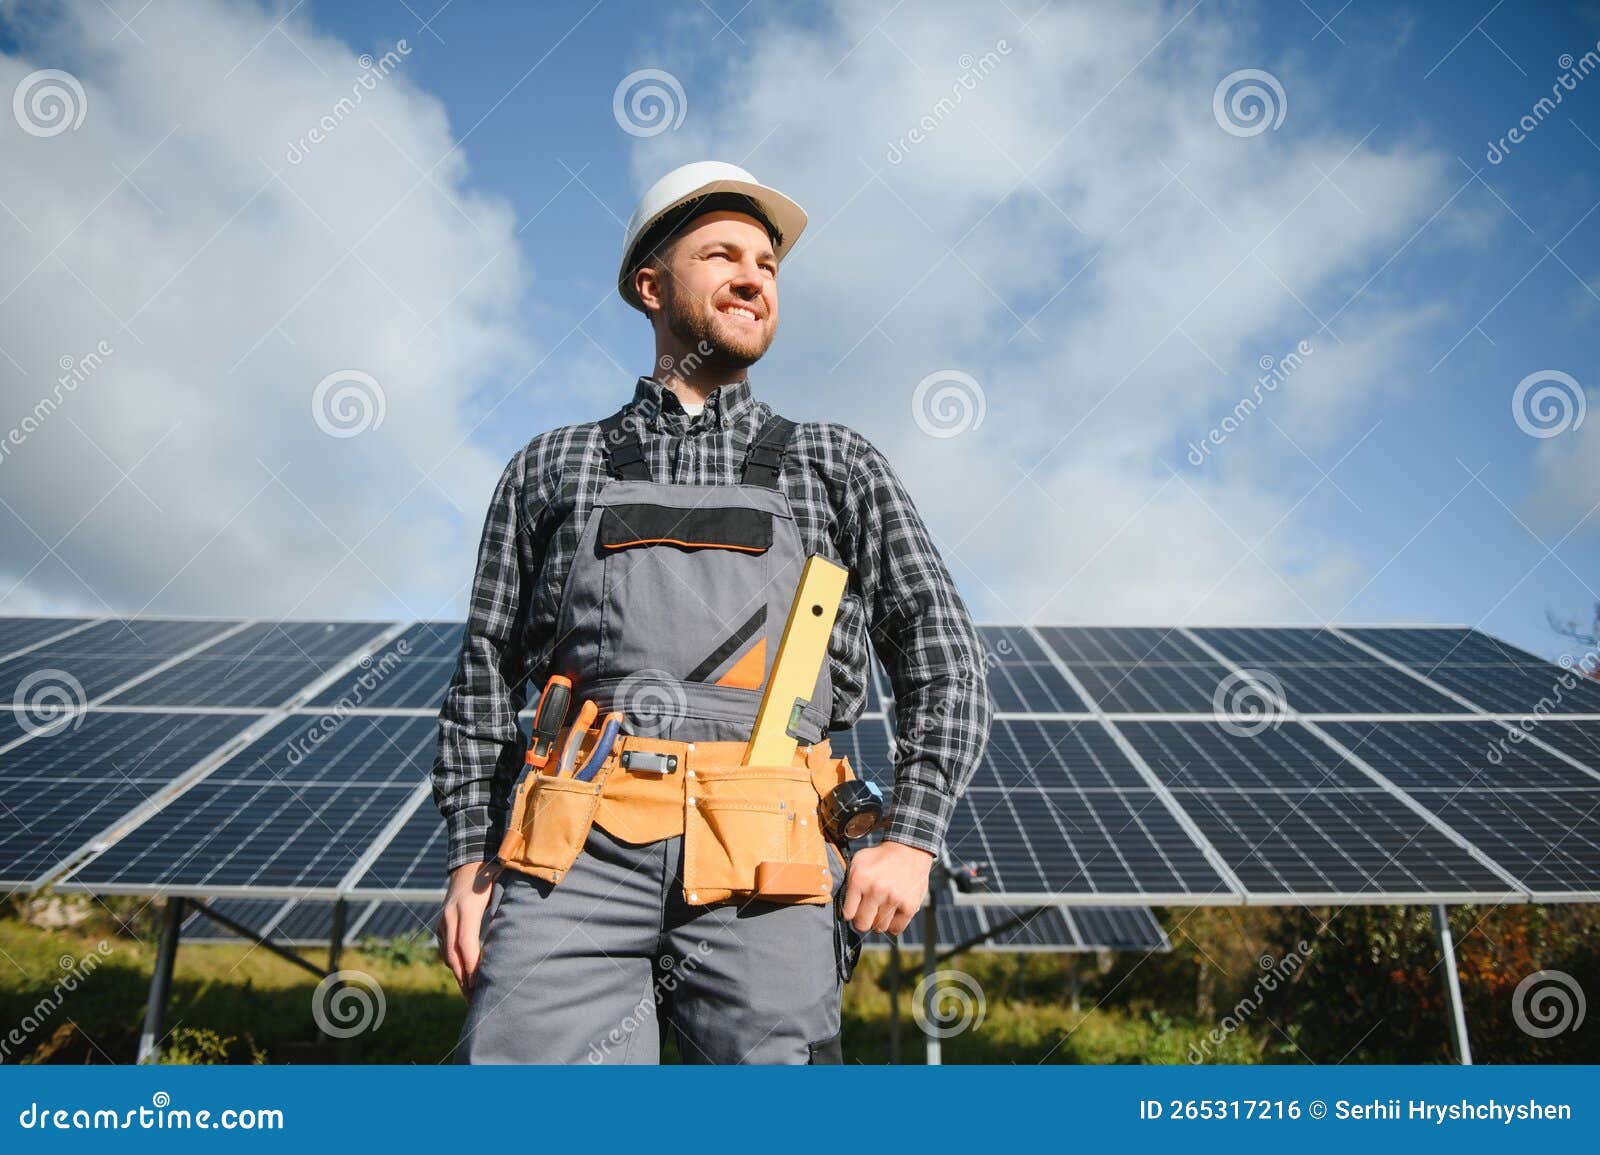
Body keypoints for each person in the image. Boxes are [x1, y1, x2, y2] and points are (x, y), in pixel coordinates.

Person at [431, 160, 992, 1063]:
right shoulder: (551, 467)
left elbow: (942, 656)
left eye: (767, 264)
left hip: (769, 850)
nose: (752, 277)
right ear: (651, 287)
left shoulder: (835, 466)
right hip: (570, 850)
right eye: (722, 254)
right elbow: (484, 681)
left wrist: (915, 835)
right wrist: (470, 858)